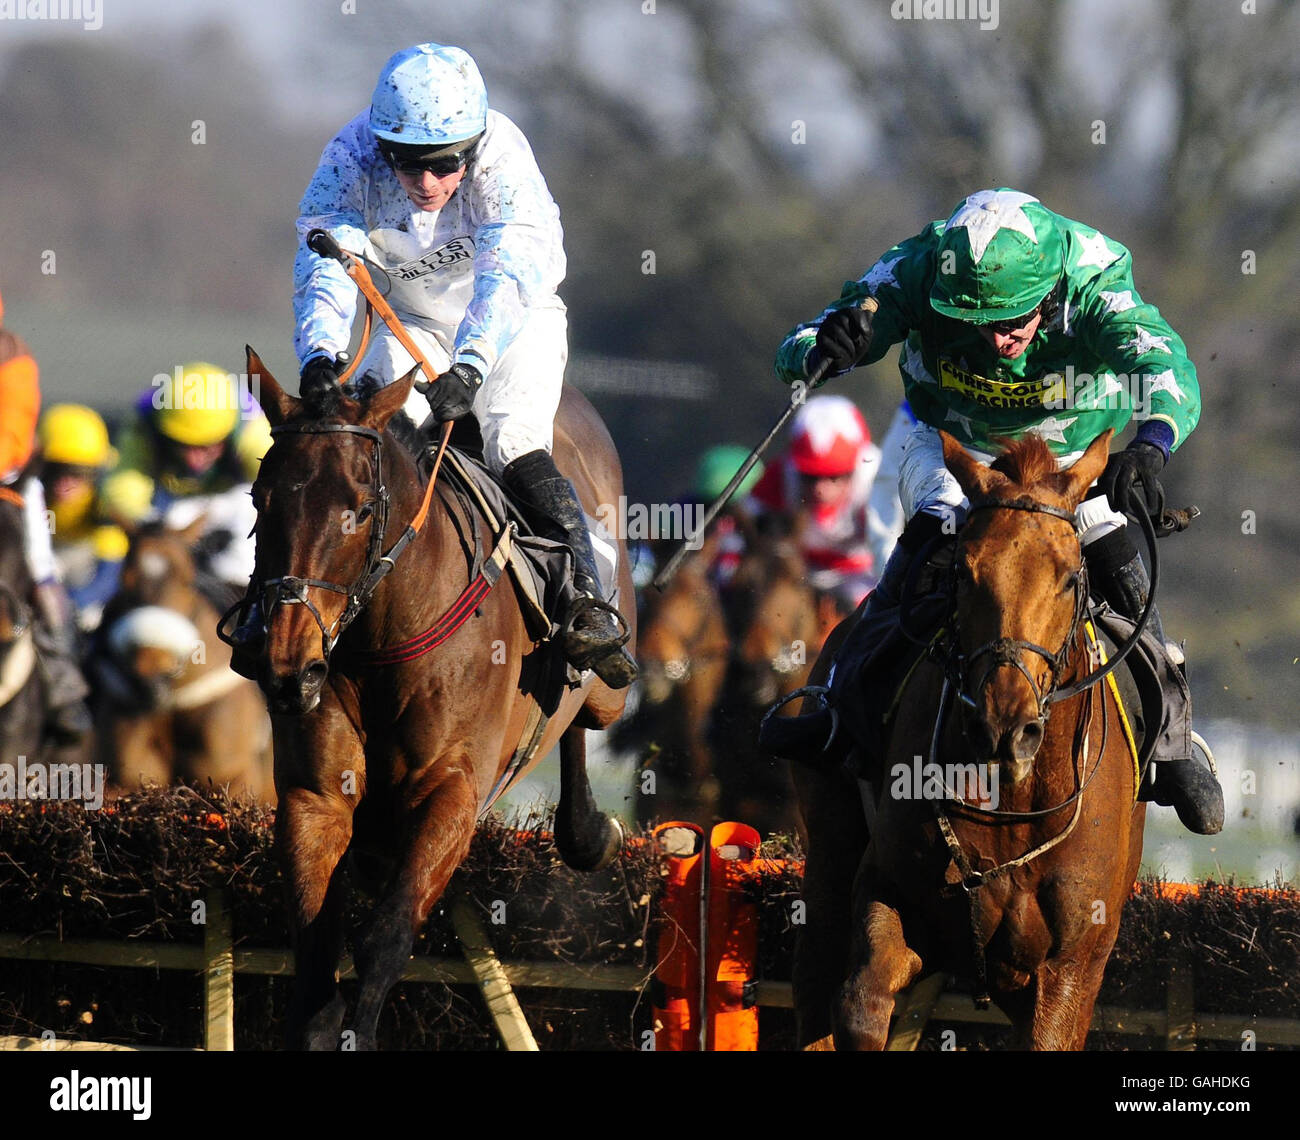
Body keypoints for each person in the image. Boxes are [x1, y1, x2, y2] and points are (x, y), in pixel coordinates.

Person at [770, 187, 1221, 834]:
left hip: (1068, 458)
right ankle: (840, 709)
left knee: (1116, 561)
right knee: (930, 545)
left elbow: (1163, 364)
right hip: (960, 451)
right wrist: (826, 345)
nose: (1000, 336)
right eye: (982, 320)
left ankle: (1175, 743)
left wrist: (1151, 446)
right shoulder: (920, 266)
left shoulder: (1089, 273)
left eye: (1015, 317)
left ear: (1049, 289)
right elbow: (800, 344)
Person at [259, 42, 635, 688]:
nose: (426, 183)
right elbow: (326, 257)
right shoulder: (350, 154)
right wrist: (320, 354)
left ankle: (583, 601)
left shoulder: (505, 161)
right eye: (407, 164)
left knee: (513, 440)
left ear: (474, 145)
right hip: (413, 323)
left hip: (515, 323)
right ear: (383, 147)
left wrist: (472, 365)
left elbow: (507, 278)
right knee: (363, 444)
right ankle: (291, 605)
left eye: (443, 165)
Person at [0, 292, 93, 742]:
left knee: (41, 577)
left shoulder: (11, 354)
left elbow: (11, 434)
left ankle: (64, 687)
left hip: (11, 488)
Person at [100, 363, 270, 600]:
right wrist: (153, 529)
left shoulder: (252, 428)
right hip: (170, 502)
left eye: (206, 446)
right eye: (183, 444)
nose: (194, 459)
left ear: (228, 431)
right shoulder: (146, 420)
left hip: (237, 501)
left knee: (243, 556)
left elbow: (280, 488)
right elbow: (123, 486)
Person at [747, 394, 902, 617]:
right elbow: (743, 526)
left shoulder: (880, 482)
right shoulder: (781, 474)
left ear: (856, 466)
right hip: (798, 575)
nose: (820, 488)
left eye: (834, 476)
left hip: (864, 578)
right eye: (810, 476)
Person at [37, 403, 128, 630]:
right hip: (42, 557)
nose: (65, 482)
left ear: (97, 472)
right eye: (56, 471)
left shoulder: (104, 500)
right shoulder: (29, 492)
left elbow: (110, 571)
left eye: (79, 473)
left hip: (84, 562)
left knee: (91, 618)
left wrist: (76, 601)